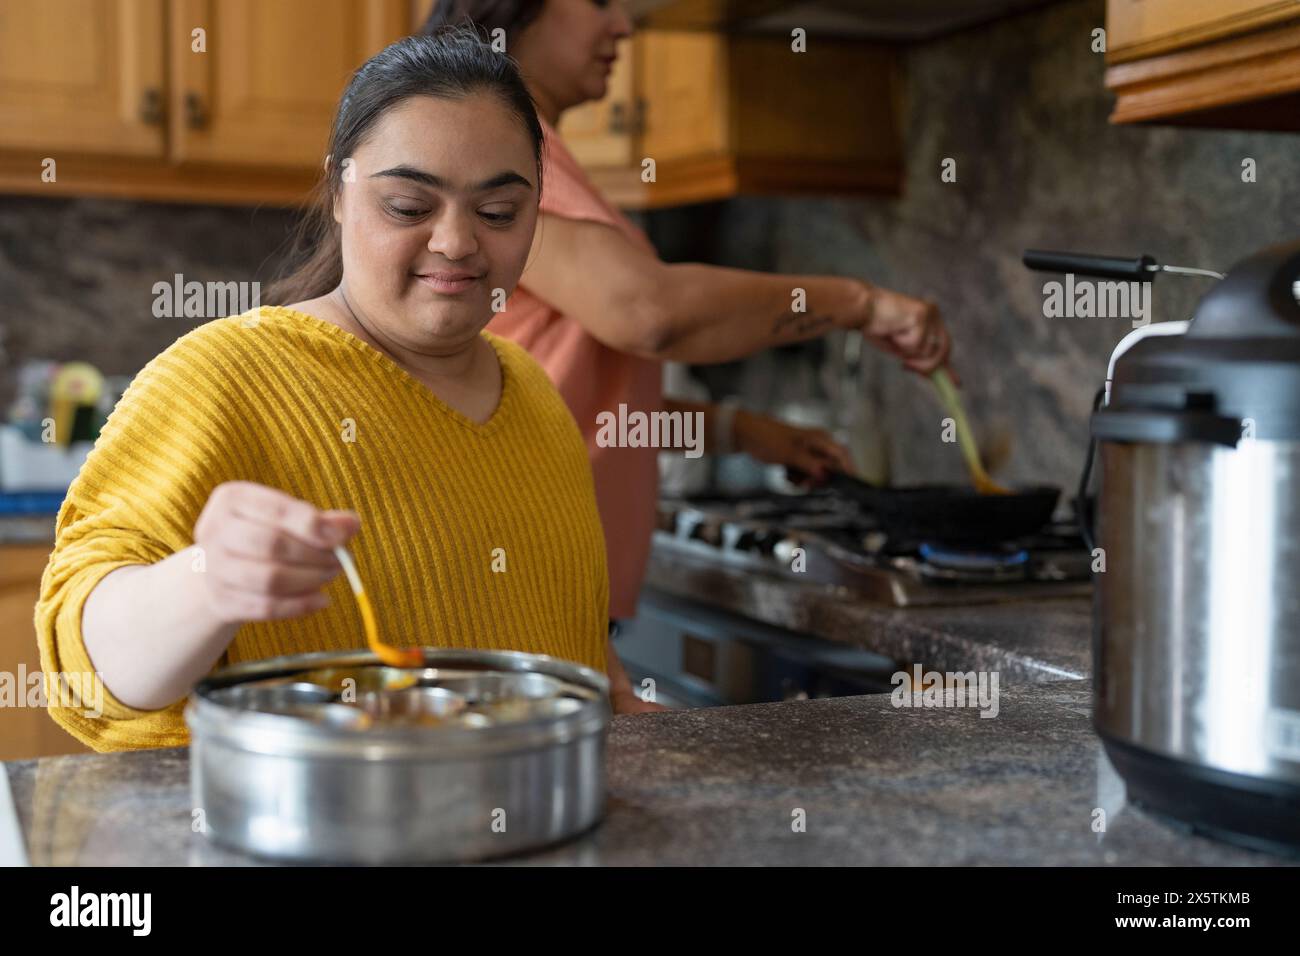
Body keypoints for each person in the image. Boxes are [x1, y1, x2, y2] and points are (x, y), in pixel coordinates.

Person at [35, 27, 651, 752]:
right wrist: (205, 583)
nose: (457, 242)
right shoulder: (223, 377)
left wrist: (623, 706)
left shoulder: (535, 394)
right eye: (408, 207)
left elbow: (564, 633)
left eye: (497, 213)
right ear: (338, 191)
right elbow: (83, 669)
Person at [420, 2, 954, 649]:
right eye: (599, 2)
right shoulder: (498, 143)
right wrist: (862, 304)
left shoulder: (529, 148)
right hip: (507, 589)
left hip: (535, 585)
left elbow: (565, 396)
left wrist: (737, 430)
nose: (624, 26)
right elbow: (649, 313)